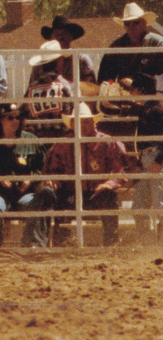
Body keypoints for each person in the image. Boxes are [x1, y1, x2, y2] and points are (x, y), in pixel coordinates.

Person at [37, 102, 134, 246]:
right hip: (70, 192)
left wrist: (109, 184)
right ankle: (61, 244)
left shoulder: (107, 142)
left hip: (97, 191)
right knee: (59, 200)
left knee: (108, 197)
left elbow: (122, 169)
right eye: (78, 122)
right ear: (72, 124)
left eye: (86, 122)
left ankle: (110, 244)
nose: (82, 126)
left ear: (92, 123)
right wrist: (53, 179)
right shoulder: (62, 144)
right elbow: (51, 169)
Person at [0, 104, 46, 247]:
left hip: (25, 193)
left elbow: (44, 167)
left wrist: (31, 178)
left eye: (18, 117)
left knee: (37, 204)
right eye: (10, 118)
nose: (15, 121)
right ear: (0, 120)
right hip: (0, 193)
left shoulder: (31, 141)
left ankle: (31, 245)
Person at [126, 72, 163, 243]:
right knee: (144, 203)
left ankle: (155, 242)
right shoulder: (151, 109)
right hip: (149, 157)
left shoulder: (154, 110)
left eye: (132, 90)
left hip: (154, 156)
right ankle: (151, 242)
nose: (131, 93)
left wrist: (159, 160)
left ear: (139, 90)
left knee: (157, 203)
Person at [97, 2, 163, 87]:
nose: (131, 26)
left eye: (136, 22)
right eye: (127, 23)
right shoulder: (116, 47)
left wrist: (136, 84)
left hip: (153, 96)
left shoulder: (158, 44)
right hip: (123, 95)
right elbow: (104, 79)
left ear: (144, 23)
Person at [41, 15, 96, 83]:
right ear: (50, 37)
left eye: (64, 33)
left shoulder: (82, 60)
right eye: (56, 34)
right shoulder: (41, 62)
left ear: (71, 36)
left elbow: (92, 88)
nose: (60, 37)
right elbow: (31, 89)